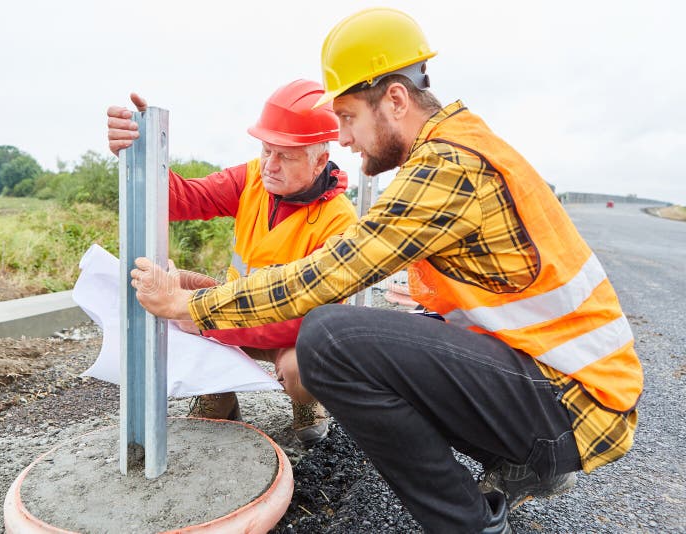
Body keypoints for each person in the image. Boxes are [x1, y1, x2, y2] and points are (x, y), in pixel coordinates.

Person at [129, 8, 643, 533]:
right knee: (387, 341)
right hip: (561, 391)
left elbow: (325, 277)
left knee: (330, 340)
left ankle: (470, 523)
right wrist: (141, 149)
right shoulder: (457, 146)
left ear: (395, 99)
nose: (344, 139)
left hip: (571, 405)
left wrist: (189, 305)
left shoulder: (448, 167)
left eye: (348, 117)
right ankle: (514, 460)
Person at [107, 79, 357, 446]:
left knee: (299, 368)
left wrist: (205, 320)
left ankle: (306, 401)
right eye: (265, 149)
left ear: (320, 159)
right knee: (169, 290)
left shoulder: (340, 222)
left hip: (294, 332)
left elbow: (302, 321)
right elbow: (181, 200)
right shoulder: (252, 178)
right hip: (235, 309)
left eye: (284, 155)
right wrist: (138, 152)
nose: (269, 165)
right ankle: (218, 393)